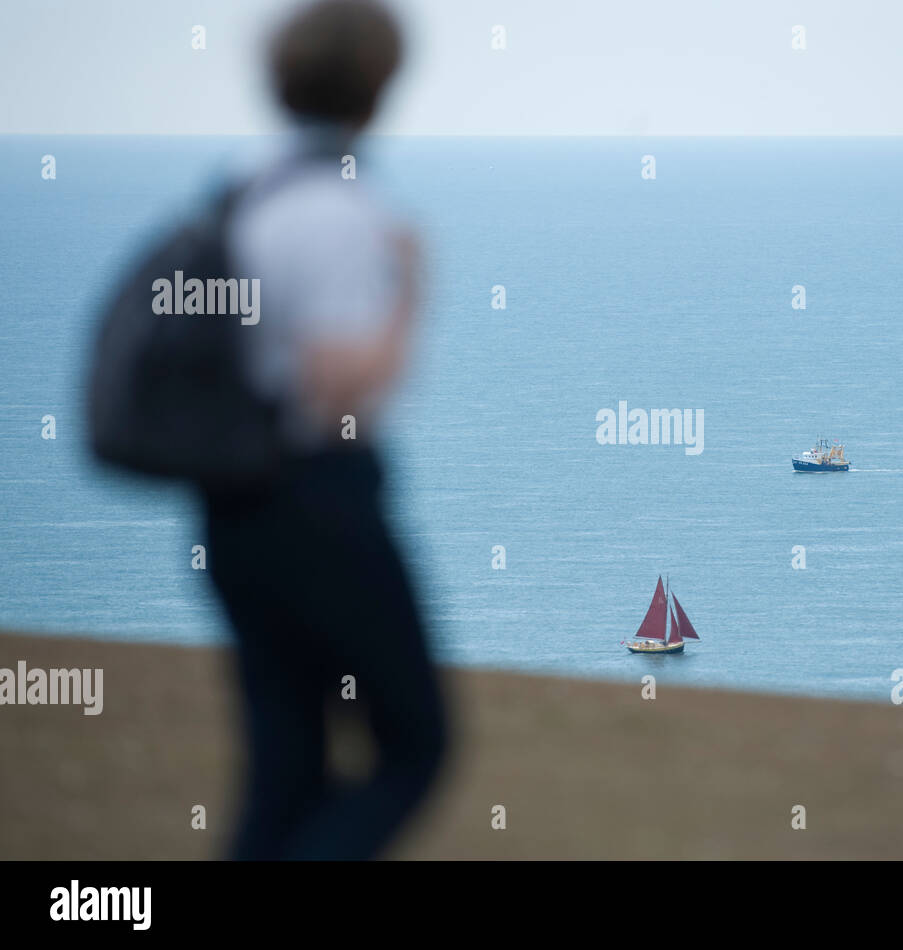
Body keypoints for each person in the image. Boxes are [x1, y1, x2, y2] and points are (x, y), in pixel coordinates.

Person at [203, 0, 446, 860]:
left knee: (286, 766)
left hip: (230, 505)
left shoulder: (242, 191)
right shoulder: (339, 212)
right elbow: (340, 389)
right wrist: (413, 295)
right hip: (320, 497)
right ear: (379, 91)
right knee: (417, 746)